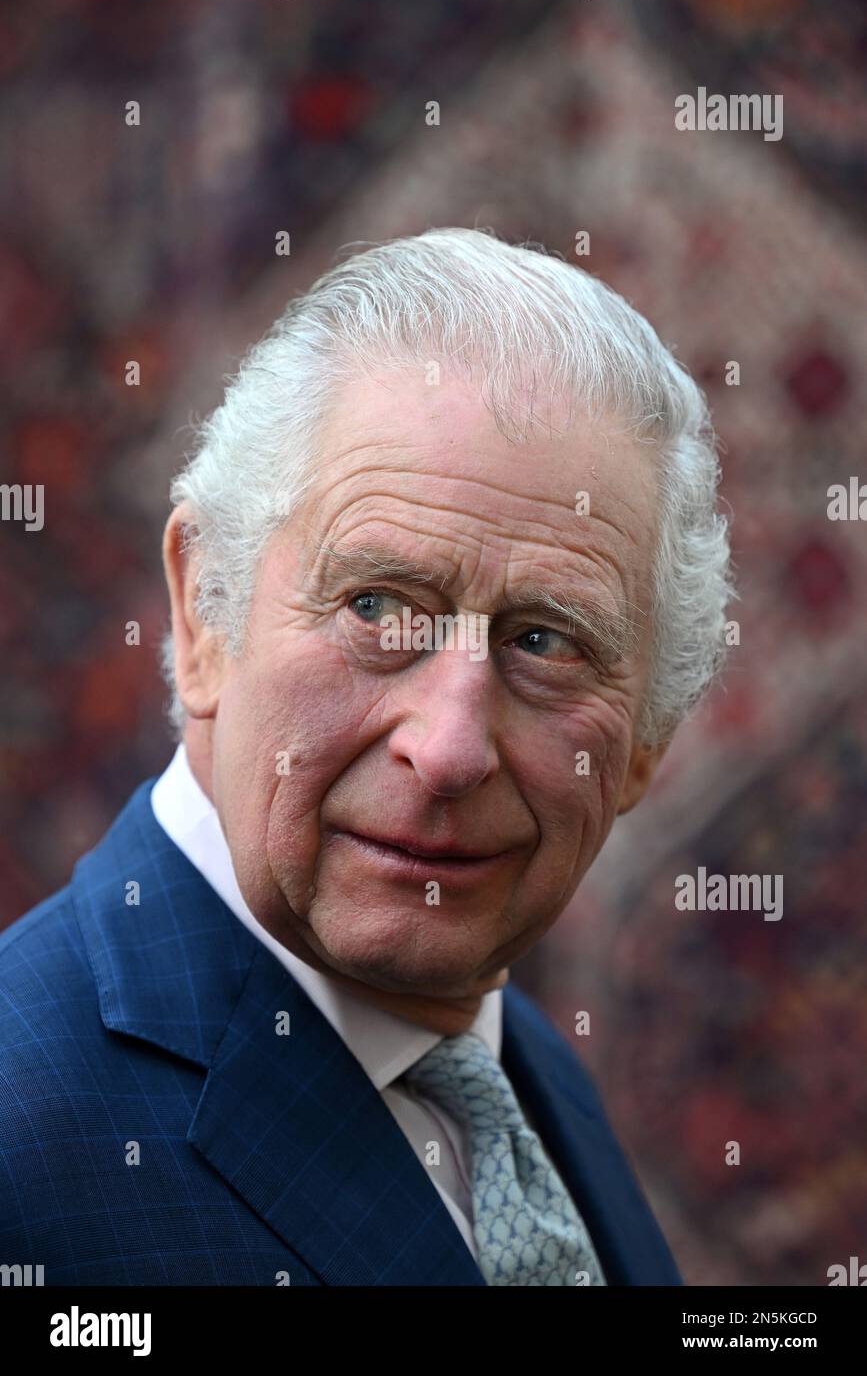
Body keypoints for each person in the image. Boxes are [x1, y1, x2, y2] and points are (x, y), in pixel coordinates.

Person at [0, 227, 732, 1286]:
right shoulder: (23, 1151)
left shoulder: (524, 1075)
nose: (446, 750)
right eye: (379, 606)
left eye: (544, 640)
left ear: (645, 744)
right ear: (206, 613)